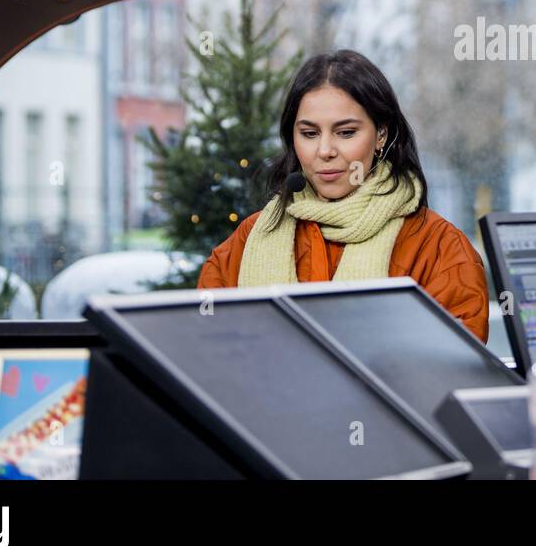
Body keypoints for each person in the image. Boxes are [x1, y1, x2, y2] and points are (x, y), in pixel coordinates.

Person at [199, 49, 490, 343]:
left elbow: (449, 368)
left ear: (381, 135)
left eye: (346, 132)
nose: (325, 151)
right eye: (310, 134)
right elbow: (210, 350)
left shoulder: (439, 247)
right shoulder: (249, 238)